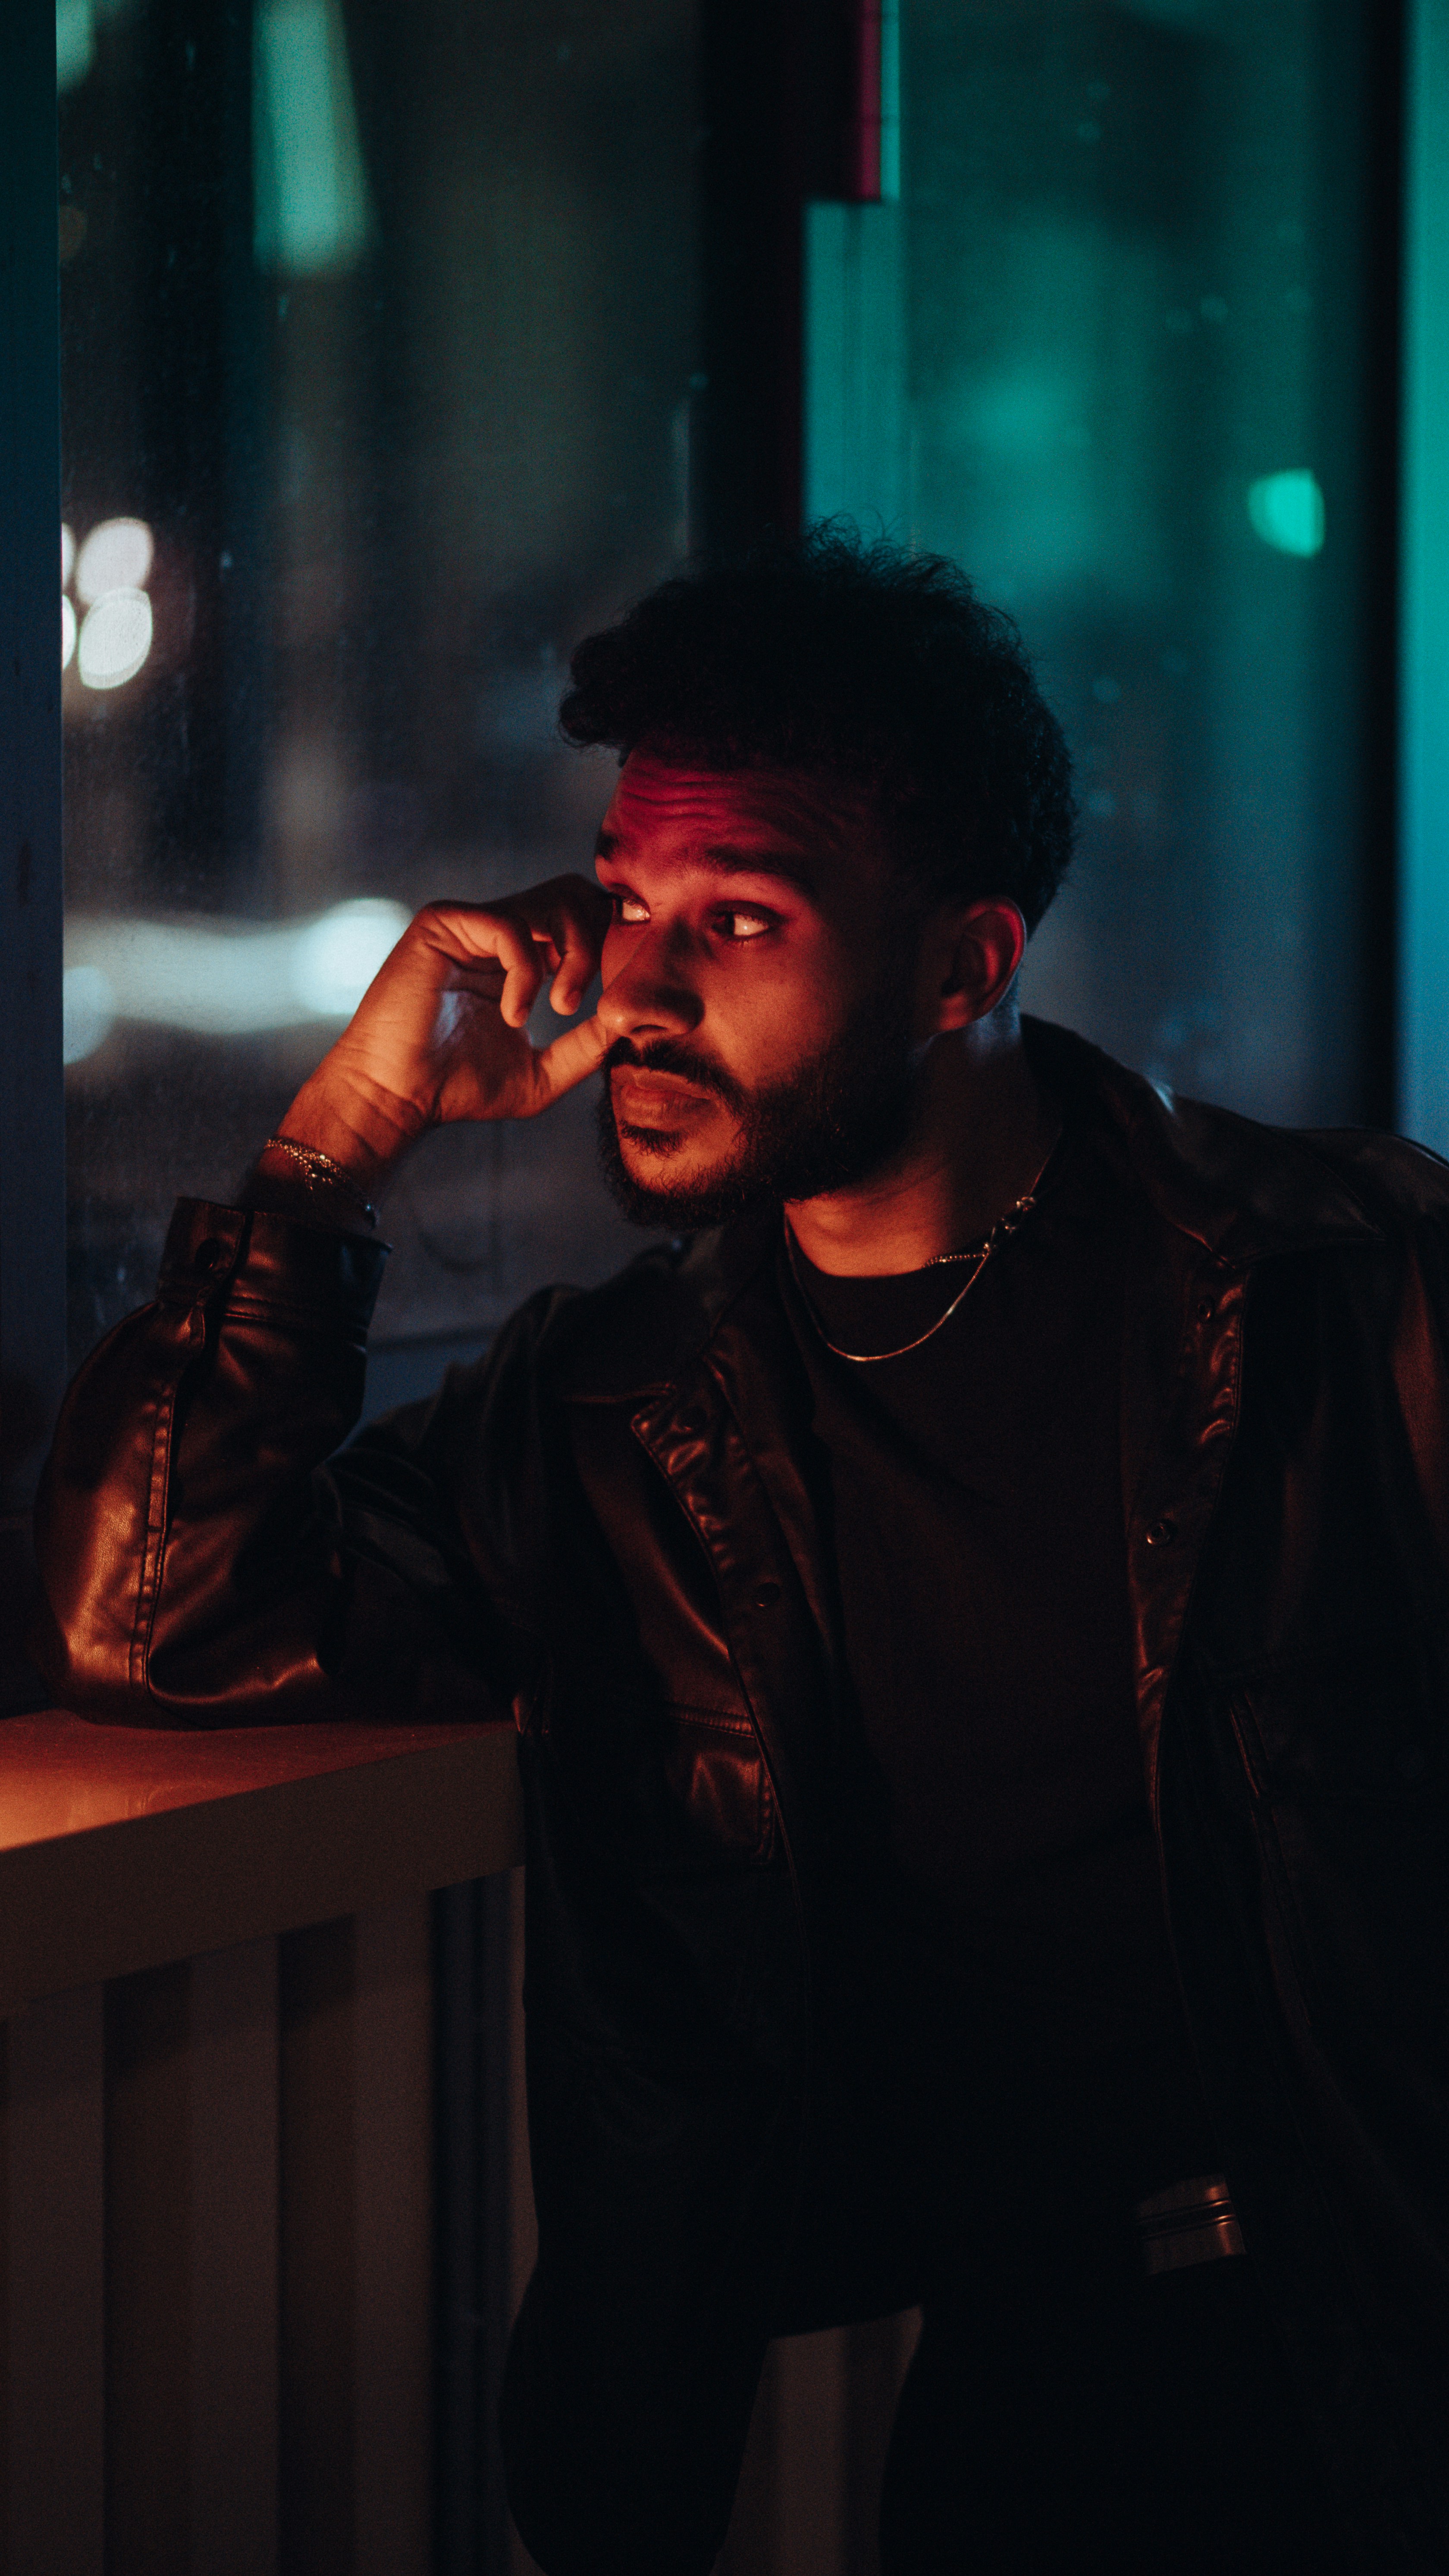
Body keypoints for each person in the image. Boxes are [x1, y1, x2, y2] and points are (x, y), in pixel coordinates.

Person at [30, 529, 1449, 2576]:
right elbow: (158, 1615)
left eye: (742, 919)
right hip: (1023, 2386)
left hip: (1378, 2329)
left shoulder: (1342, 1288)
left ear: (966, 967)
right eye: (621, 904)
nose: (636, 984)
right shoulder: (613, 1412)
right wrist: (341, 1136)